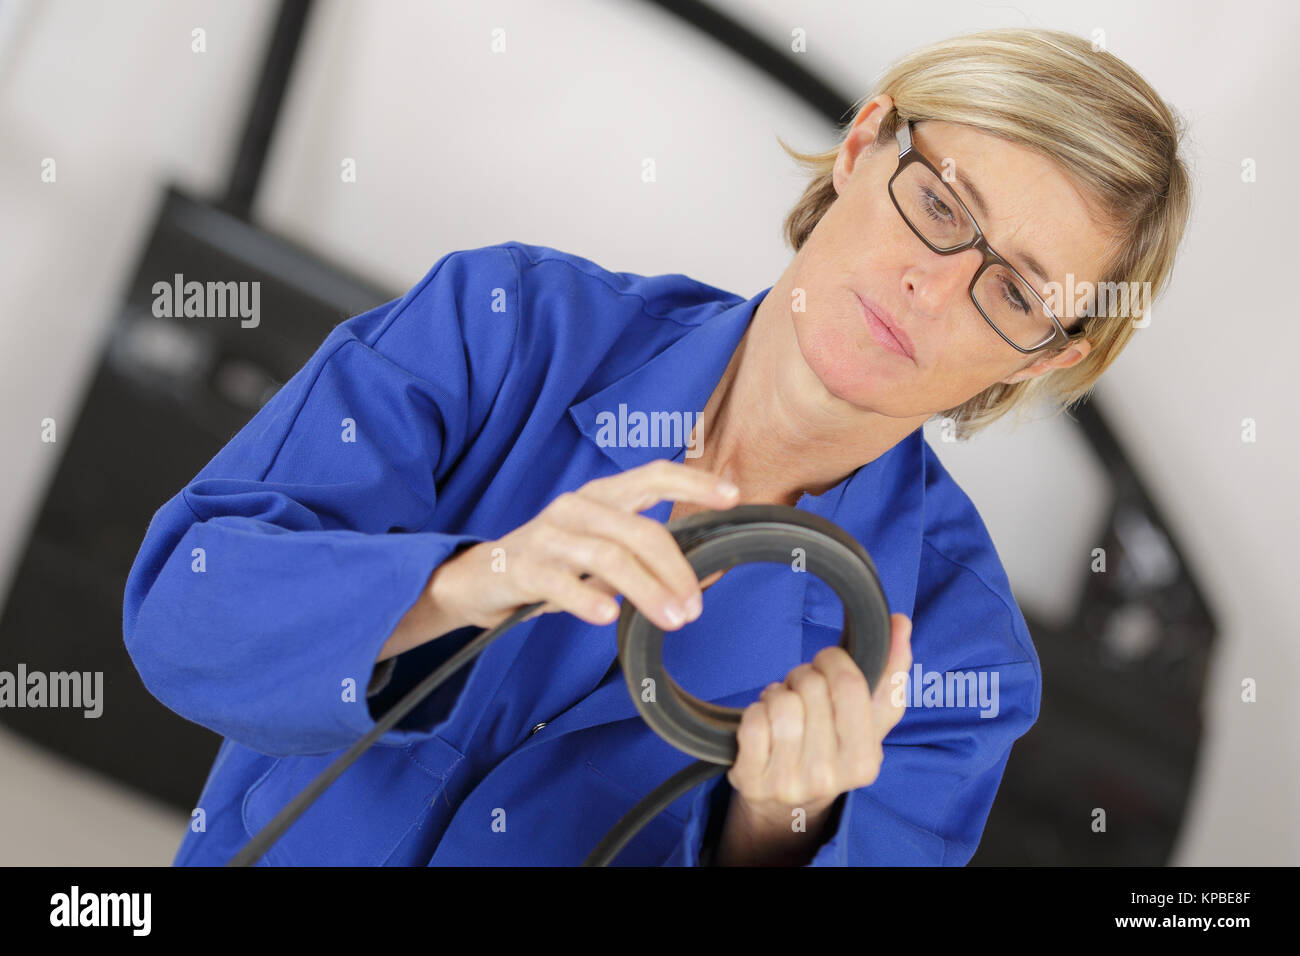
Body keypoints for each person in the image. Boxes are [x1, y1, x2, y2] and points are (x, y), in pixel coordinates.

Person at [122, 26, 1191, 866]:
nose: (935, 284)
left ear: (1044, 358)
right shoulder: (498, 324)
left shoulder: (956, 658)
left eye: (1012, 290)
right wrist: (467, 582)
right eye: (940, 203)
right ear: (865, 144)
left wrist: (778, 827)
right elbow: (183, 610)